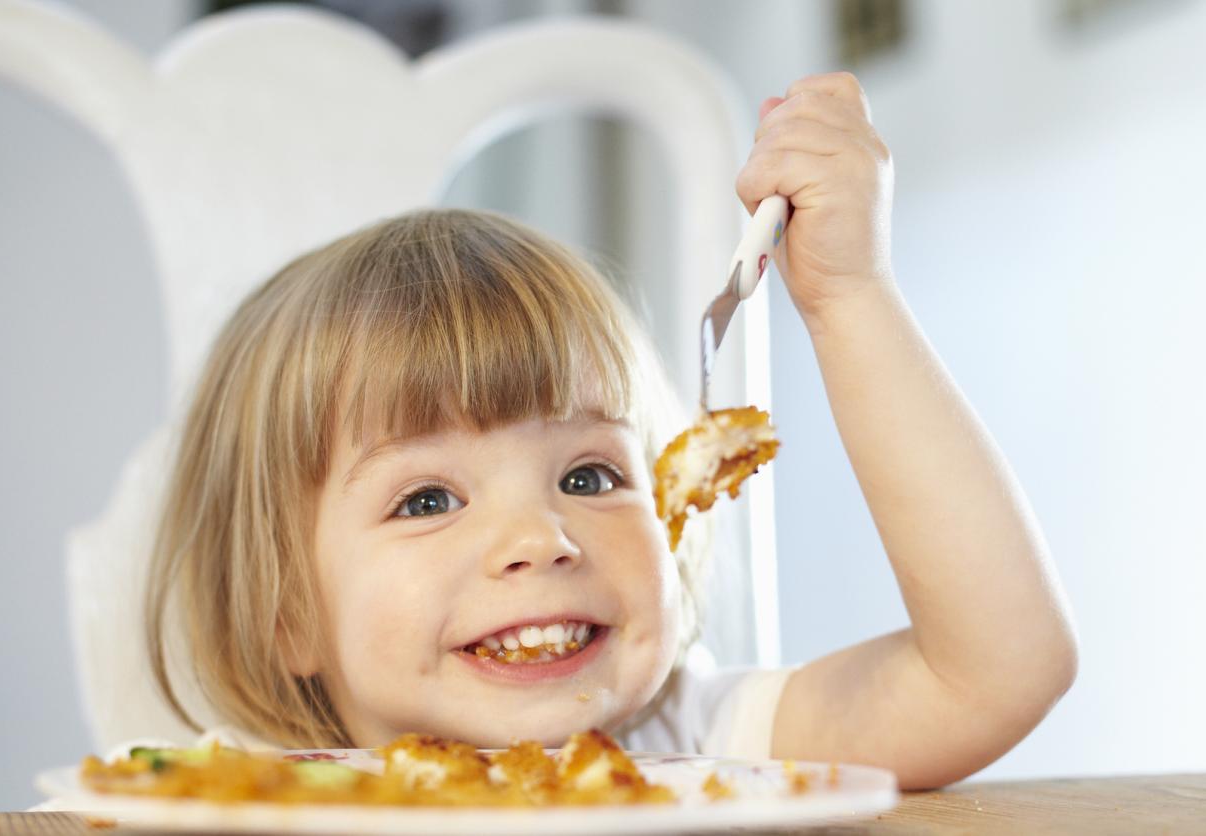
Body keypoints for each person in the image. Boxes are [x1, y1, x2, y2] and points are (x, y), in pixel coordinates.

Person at [144, 73, 1076, 790]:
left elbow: (997, 671)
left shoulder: (697, 743)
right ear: (286, 612)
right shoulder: (258, 804)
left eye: (589, 477)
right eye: (428, 498)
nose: (541, 540)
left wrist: (846, 296)